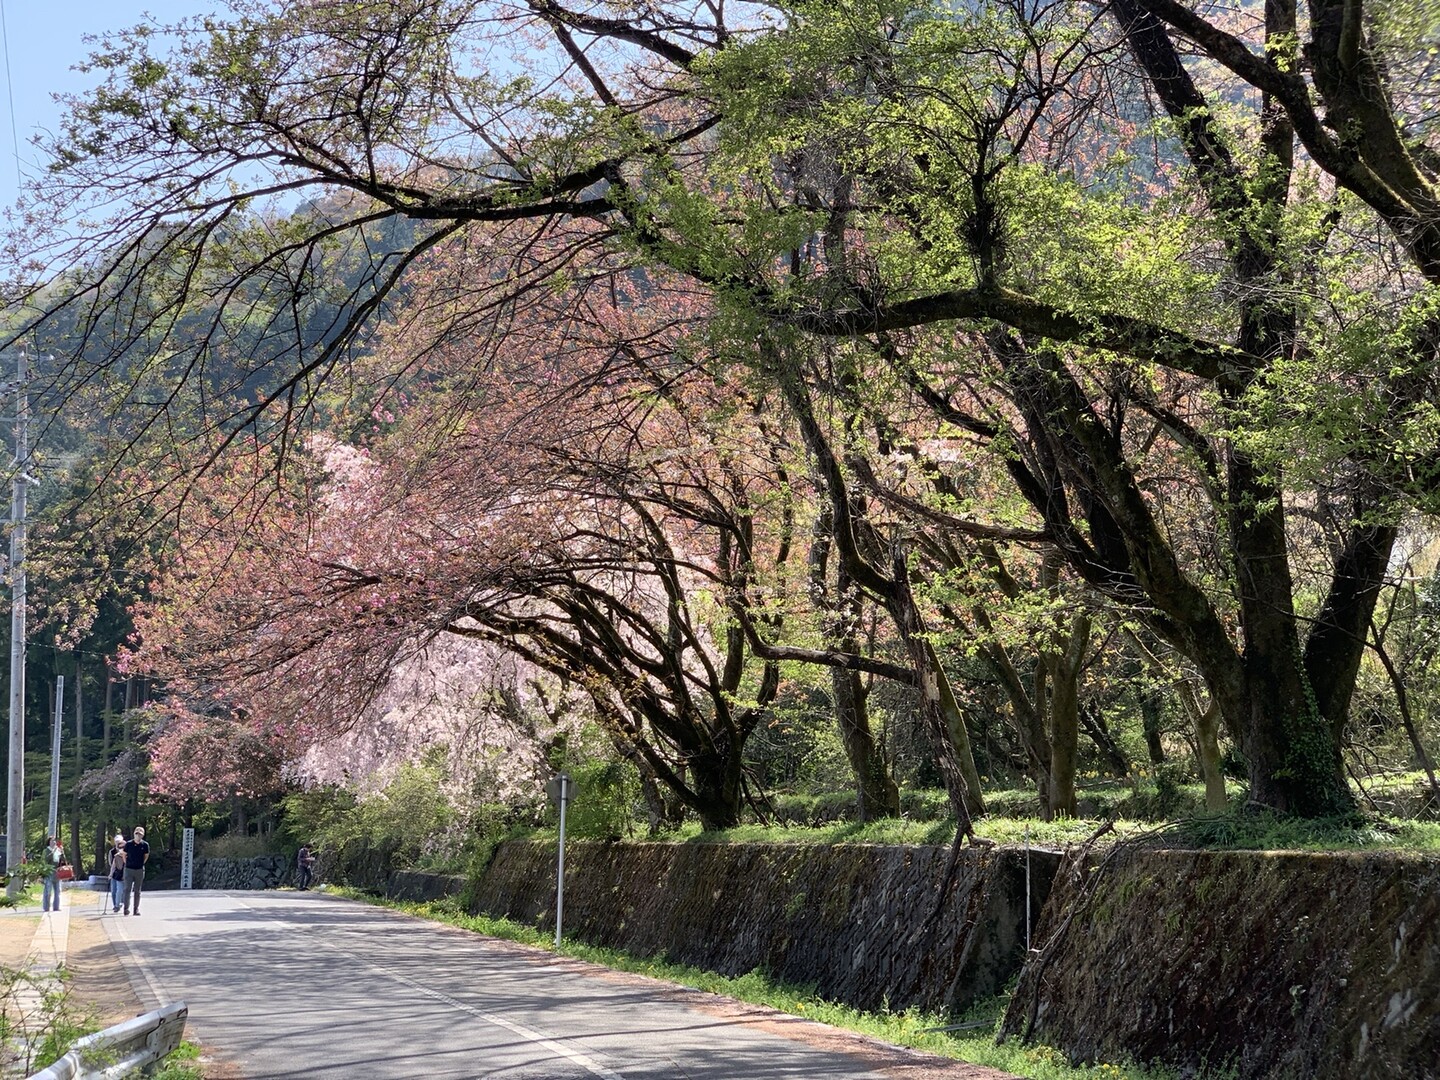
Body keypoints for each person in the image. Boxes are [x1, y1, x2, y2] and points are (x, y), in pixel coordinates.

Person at [122, 826, 149, 916]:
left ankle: (136, 909)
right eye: (136, 833)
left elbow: (146, 856)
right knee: (127, 889)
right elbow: (124, 855)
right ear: (134, 834)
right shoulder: (128, 844)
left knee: (137, 890)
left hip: (139, 869)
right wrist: (127, 863)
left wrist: (141, 864)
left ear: (142, 835)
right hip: (129, 869)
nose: (138, 835)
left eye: (140, 834)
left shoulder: (145, 845)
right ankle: (126, 908)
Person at [42, 836, 64, 913]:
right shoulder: (46, 850)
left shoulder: (57, 850)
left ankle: (56, 907)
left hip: (57, 872)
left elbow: (62, 860)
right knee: (48, 891)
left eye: (55, 841)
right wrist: (53, 852)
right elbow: (46, 860)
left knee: (58, 891)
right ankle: (46, 907)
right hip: (49, 872)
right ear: (49, 842)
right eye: (52, 841)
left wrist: (62, 852)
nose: (54, 842)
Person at [108, 833, 127, 913]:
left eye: (119, 842)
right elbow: (111, 863)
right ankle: (116, 905)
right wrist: (111, 873)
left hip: (124, 874)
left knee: (120, 890)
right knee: (114, 890)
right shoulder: (112, 852)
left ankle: (119, 904)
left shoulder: (127, 853)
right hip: (116, 873)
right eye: (116, 842)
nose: (118, 844)